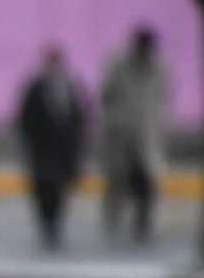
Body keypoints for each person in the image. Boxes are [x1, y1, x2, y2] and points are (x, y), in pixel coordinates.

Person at [98, 25, 171, 242]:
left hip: (147, 136)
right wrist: (114, 121)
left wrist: (159, 127)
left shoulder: (160, 68)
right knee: (117, 181)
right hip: (120, 135)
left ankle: (142, 224)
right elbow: (105, 95)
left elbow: (163, 100)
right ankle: (114, 220)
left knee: (146, 183)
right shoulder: (118, 64)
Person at [14, 45, 86, 250]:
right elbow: (25, 119)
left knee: (61, 191)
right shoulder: (36, 87)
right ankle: (47, 225)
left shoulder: (71, 87)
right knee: (42, 190)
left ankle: (55, 224)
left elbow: (79, 118)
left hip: (64, 152)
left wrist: (77, 144)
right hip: (41, 151)